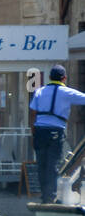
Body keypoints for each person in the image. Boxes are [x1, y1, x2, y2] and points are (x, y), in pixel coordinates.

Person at [30, 64, 85, 202]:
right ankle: (51, 197)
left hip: (40, 131)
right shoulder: (67, 92)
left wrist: (34, 133)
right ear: (64, 78)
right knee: (52, 164)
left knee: (42, 164)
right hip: (56, 132)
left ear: (49, 77)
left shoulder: (39, 91)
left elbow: (32, 113)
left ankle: (44, 197)